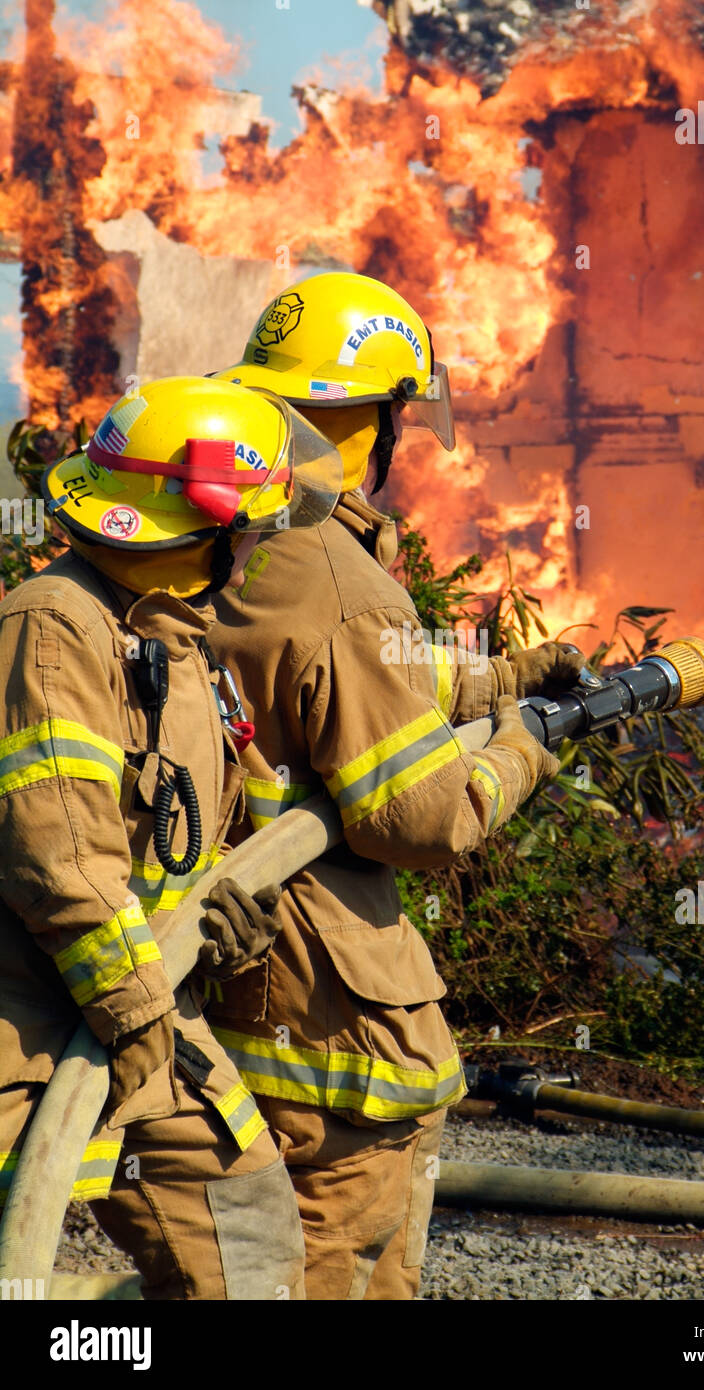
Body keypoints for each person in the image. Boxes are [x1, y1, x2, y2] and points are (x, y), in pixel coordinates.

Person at [207, 274, 586, 1299]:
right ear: (367, 420)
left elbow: (345, 684)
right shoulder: (337, 577)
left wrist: (504, 678)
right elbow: (423, 817)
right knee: (326, 1260)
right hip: (331, 1013)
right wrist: (526, 747)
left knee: (252, 1259)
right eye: (399, 418)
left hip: (250, 983)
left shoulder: (248, 538)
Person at [0, 375, 341, 1299]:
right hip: (38, 1027)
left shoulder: (170, 635)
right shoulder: (55, 626)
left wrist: (228, 915)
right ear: (204, 526)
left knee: (248, 1235)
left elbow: (199, 820)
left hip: (141, 1006)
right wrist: (140, 1013)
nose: (262, 546)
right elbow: (58, 861)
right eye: (255, 527)